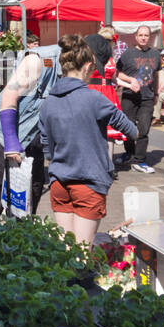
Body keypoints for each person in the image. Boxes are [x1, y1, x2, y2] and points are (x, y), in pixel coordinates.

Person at [38, 35, 138, 245]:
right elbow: (131, 130)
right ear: (86, 67)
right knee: (82, 252)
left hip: (59, 181)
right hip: (89, 182)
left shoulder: (48, 103)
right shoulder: (95, 99)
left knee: (66, 250)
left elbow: (46, 146)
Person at [0, 40, 62, 224]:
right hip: (1, 136)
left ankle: (19, 241)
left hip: (32, 137)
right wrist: (10, 139)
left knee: (29, 194)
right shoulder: (43, 60)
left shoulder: (76, 73)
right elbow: (9, 95)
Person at [114, 24, 161, 173]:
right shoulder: (128, 54)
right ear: (135, 37)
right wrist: (130, 80)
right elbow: (118, 74)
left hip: (147, 97)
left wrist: (157, 93)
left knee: (144, 129)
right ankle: (129, 153)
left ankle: (139, 160)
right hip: (129, 96)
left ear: (150, 37)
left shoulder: (155, 54)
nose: (143, 38)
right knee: (128, 127)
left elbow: (156, 75)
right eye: (140, 35)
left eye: (146, 35)